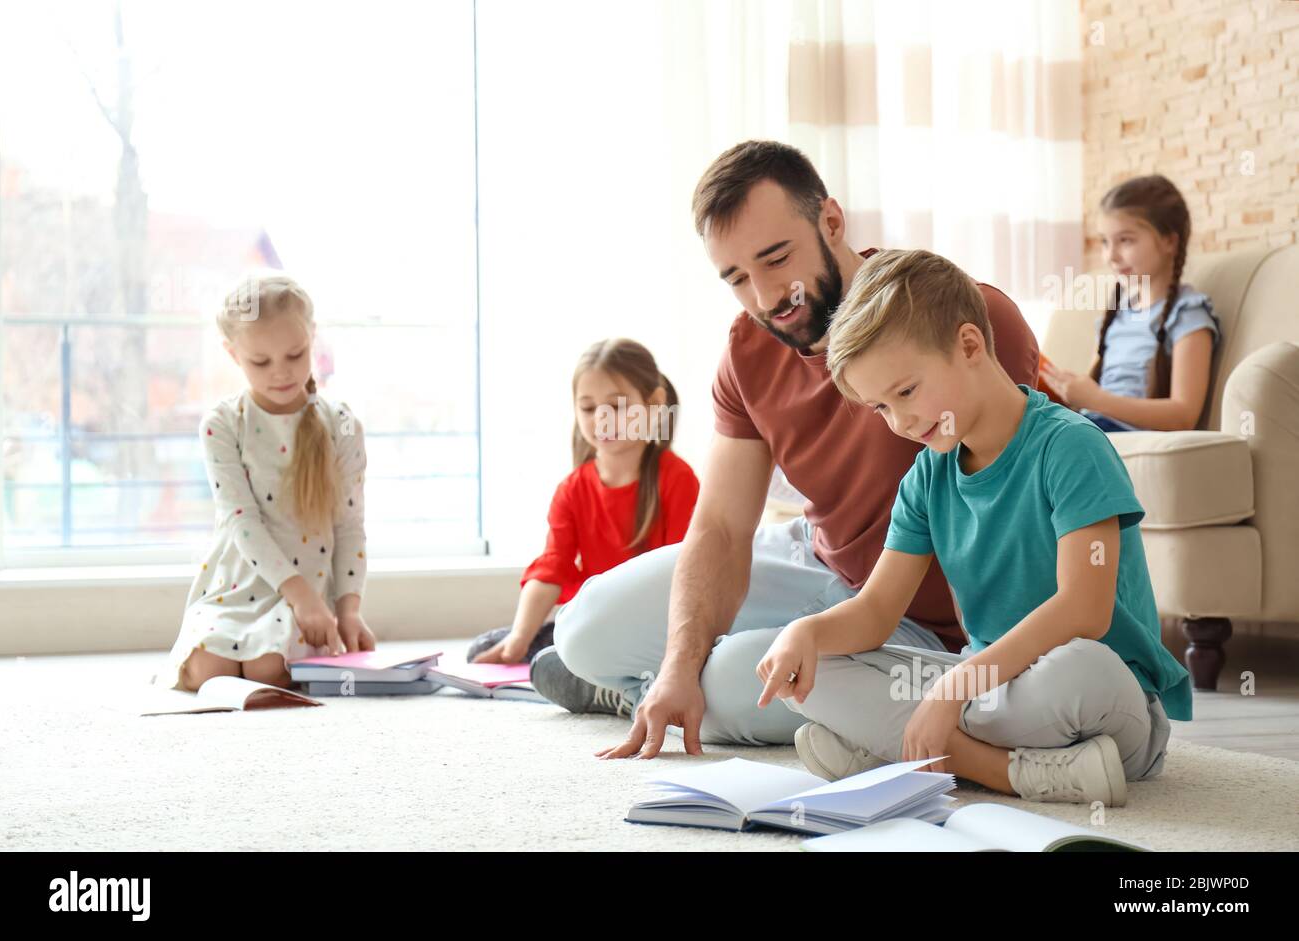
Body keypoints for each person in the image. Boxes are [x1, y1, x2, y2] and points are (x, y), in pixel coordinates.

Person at [529, 140, 1039, 758]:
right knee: (582, 627)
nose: (766, 296)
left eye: (777, 259)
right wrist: (677, 664)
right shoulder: (747, 353)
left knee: (734, 680)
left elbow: (1018, 518)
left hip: (924, 623)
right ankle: (657, 687)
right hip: (817, 560)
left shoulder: (968, 319)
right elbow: (721, 527)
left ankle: (639, 695)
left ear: (832, 222)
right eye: (737, 278)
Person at [758, 248, 1190, 806]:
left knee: (1079, 669)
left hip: (1103, 699)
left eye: (906, 392)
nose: (900, 422)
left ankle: (915, 753)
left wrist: (952, 690)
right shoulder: (926, 477)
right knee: (813, 674)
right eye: (880, 408)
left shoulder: (1070, 446)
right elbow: (875, 613)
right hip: (991, 693)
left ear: (969, 345)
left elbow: (1085, 611)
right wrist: (807, 634)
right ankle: (1013, 770)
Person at [156, 273, 372, 691]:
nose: (281, 372)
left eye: (295, 354)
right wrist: (299, 595)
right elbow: (242, 521)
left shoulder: (342, 425)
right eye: (261, 362)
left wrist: (347, 610)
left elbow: (349, 525)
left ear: (312, 337)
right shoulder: (223, 423)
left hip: (306, 596)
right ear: (233, 354)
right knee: (208, 673)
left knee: (266, 670)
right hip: (234, 587)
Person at [466, 339, 699, 680]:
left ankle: (605, 678)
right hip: (592, 623)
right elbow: (552, 568)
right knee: (486, 647)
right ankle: (591, 673)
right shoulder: (572, 489)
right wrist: (519, 638)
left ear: (653, 404)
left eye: (617, 406)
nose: (602, 419)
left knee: (581, 654)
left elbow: (681, 574)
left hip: (655, 625)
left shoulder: (677, 479)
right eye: (588, 409)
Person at [1041, 174, 1220, 432]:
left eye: (1125, 240)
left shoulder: (1187, 314)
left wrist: (1096, 400)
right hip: (1092, 426)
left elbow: (1183, 415)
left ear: (1169, 241)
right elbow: (1091, 395)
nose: (1111, 256)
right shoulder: (1116, 314)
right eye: (1105, 242)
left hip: (1119, 434)